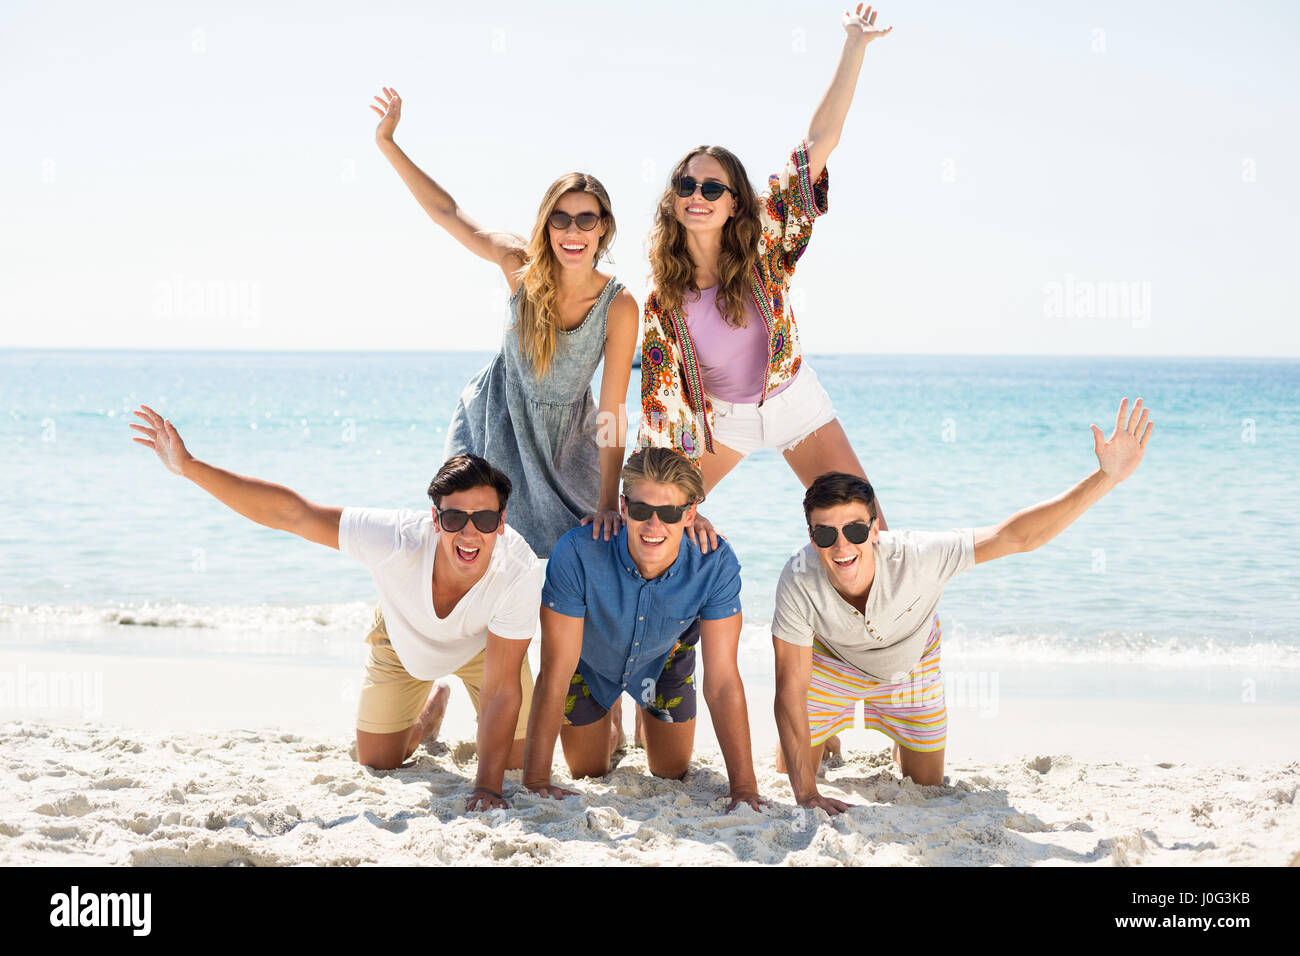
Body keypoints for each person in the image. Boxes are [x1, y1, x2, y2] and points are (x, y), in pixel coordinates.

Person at [129, 405, 543, 811]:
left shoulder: (516, 568)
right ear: (435, 520)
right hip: (402, 642)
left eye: (485, 520)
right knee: (379, 762)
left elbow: (502, 688)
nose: (470, 533)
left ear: (502, 522)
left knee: (511, 767)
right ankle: (425, 714)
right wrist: (190, 467)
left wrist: (487, 789)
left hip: (484, 649)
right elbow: (293, 514)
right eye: (454, 518)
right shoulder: (397, 539)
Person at [772, 398, 1154, 813]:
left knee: (926, 784)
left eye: (855, 530)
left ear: (875, 529)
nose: (842, 545)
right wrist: (807, 795)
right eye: (826, 535)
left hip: (911, 662)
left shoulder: (919, 556)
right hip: (835, 662)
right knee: (786, 773)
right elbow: (789, 689)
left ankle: (900, 731)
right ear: (812, 539)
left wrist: (1105, 478)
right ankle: (828, 728)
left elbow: (1015, 536)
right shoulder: (797, 578)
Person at [636, 6, 893, 547]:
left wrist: (854, 46)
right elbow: (660, 404)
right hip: (722, 423)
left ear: (735, 203)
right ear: (673, 198)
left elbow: (816, 146)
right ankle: (673, 632)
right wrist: (668, 498)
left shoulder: (766, 246)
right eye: (686, 185)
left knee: (870, 534)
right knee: (652, 523)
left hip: (796, 406)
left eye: (712, 188)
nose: (697, 196)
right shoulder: (662, 300)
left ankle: (903, 632)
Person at [370, 86, 639, 556]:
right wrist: (389, 143)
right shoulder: (520, 267)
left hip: (563, 447)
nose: (572, 232)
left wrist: (609, 499)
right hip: (494, 421)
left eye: (585, 220)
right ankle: (398, 622)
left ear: (604, 228)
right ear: (545, 225)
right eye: (560, 219)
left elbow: (614, 410)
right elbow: (447, 212)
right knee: (464, 533)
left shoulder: (619, 305)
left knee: (577, 553)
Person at [522, 447, 764, 812]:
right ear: (623, 507)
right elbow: (555, 672)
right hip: (589, 663)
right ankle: (613, 710)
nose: (654, 526)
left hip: (664, 657)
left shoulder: (714, 562)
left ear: (690, 513)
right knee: (589, 770)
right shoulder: (576, 552)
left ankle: (644, 710)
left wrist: (744, 787)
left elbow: (724, 681)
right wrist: (536, 780)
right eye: (640, 511)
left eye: (669, 513)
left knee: (670, 769)